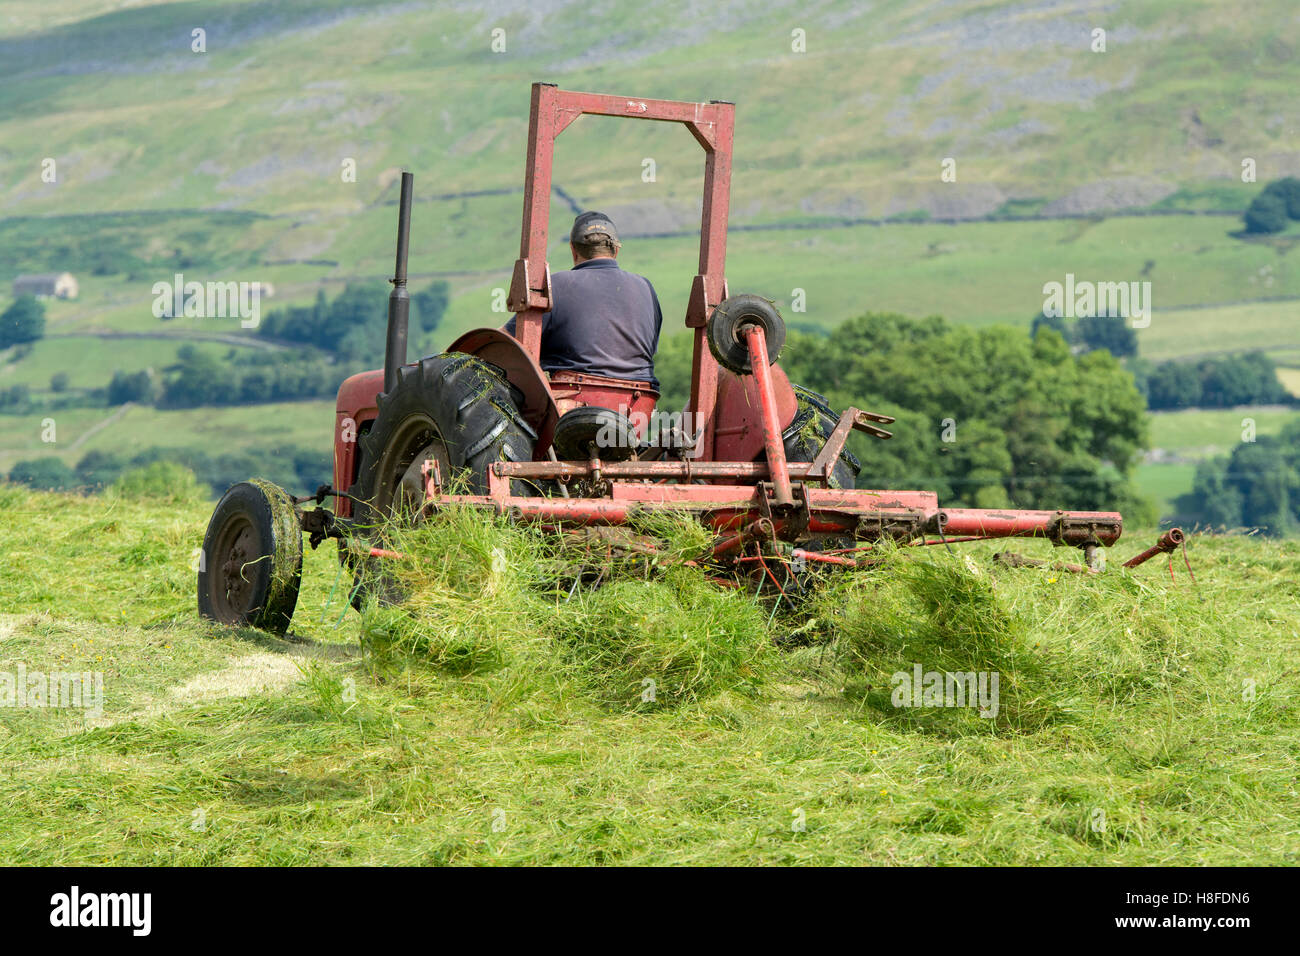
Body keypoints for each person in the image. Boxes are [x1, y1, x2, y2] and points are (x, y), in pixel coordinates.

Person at [505, 211, 663, 389]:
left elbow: (508, 342)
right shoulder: (646, 287)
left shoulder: (555, 285)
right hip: (637, 403)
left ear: (573, 250)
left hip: (572, 401)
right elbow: (649, 349)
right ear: (616, 250)